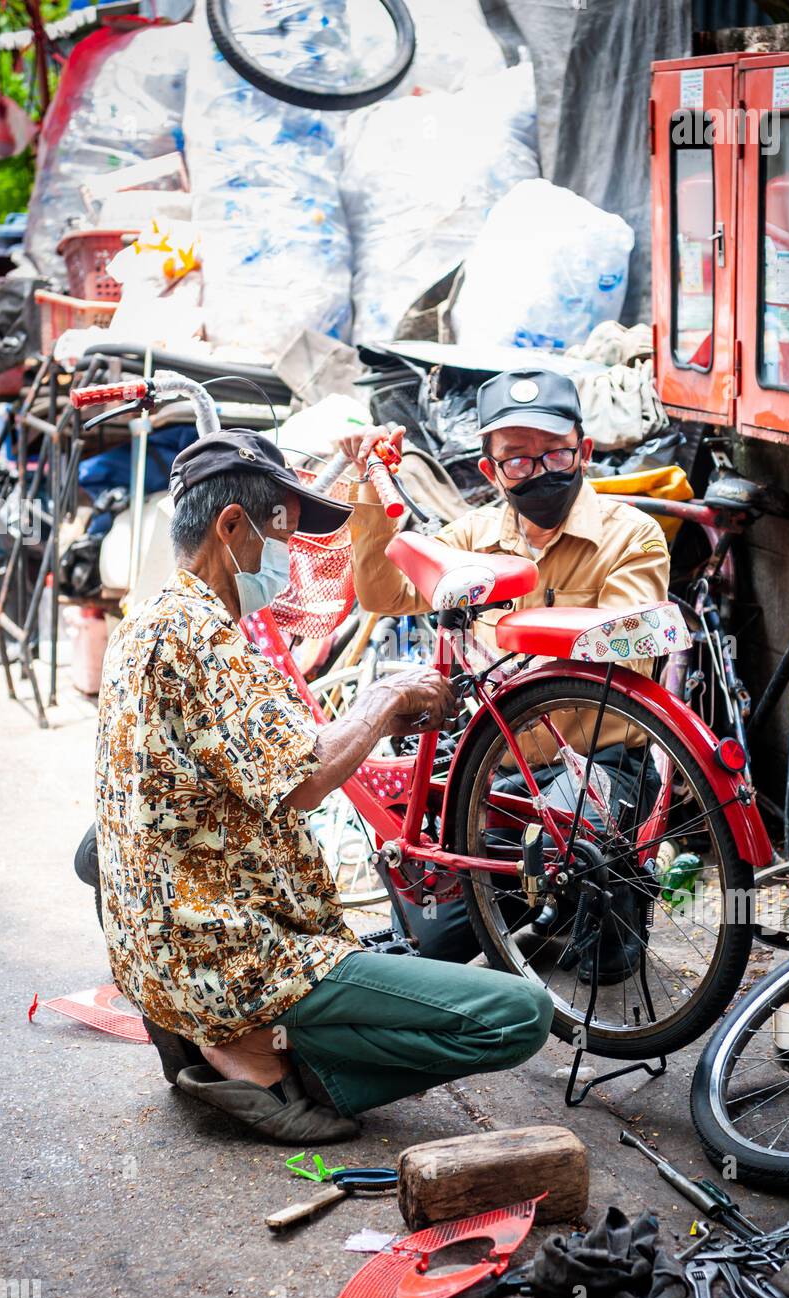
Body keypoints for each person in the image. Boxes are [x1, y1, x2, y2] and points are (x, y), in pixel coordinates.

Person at [94, 428, 553, 1145]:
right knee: (521, 1013)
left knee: (103, 846)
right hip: (239, 954)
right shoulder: (199, 640)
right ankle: (266, 1066)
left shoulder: (149, 620)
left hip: (166, 949)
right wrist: (384, 699)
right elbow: (305, 779)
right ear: (231, 526)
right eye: (280, 534)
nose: (285, 556)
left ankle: (215, 1032)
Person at [343, 368, 670, 976]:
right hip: (499, 770)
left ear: (584, 453)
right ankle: (531, 902)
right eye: (517, 460)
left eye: (554, 453)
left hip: (600, 765)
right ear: (491, 471)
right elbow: (383, 592)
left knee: (575, 871)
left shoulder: (633, 536)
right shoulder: (471, 539)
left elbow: (623, 648)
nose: (540, 470)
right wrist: (369, 488)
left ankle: (610, 895)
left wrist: (515, 654)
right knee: (438, 937)